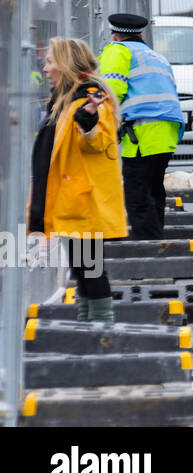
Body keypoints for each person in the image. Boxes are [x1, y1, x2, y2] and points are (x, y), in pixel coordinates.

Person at [28, 38, 128, 324]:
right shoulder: (65, 98)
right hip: (74, 197)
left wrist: (88, 120)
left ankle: (101, 328)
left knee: (90, 267)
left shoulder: (90, 96)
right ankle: (90, 325)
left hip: (83, 198)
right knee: (82, 268)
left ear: (66, 64)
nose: (45, 68)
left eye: (50, 61)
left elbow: (99, 142)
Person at [99, 13, 183, 240]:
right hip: (167, 130)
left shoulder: (117, 50)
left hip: (142, 132)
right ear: (141, 34)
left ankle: (148, 246)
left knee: (137, 195)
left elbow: (111, 91)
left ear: (115, 35)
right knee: (154, 190)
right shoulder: (156, 56)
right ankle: (157, 242)